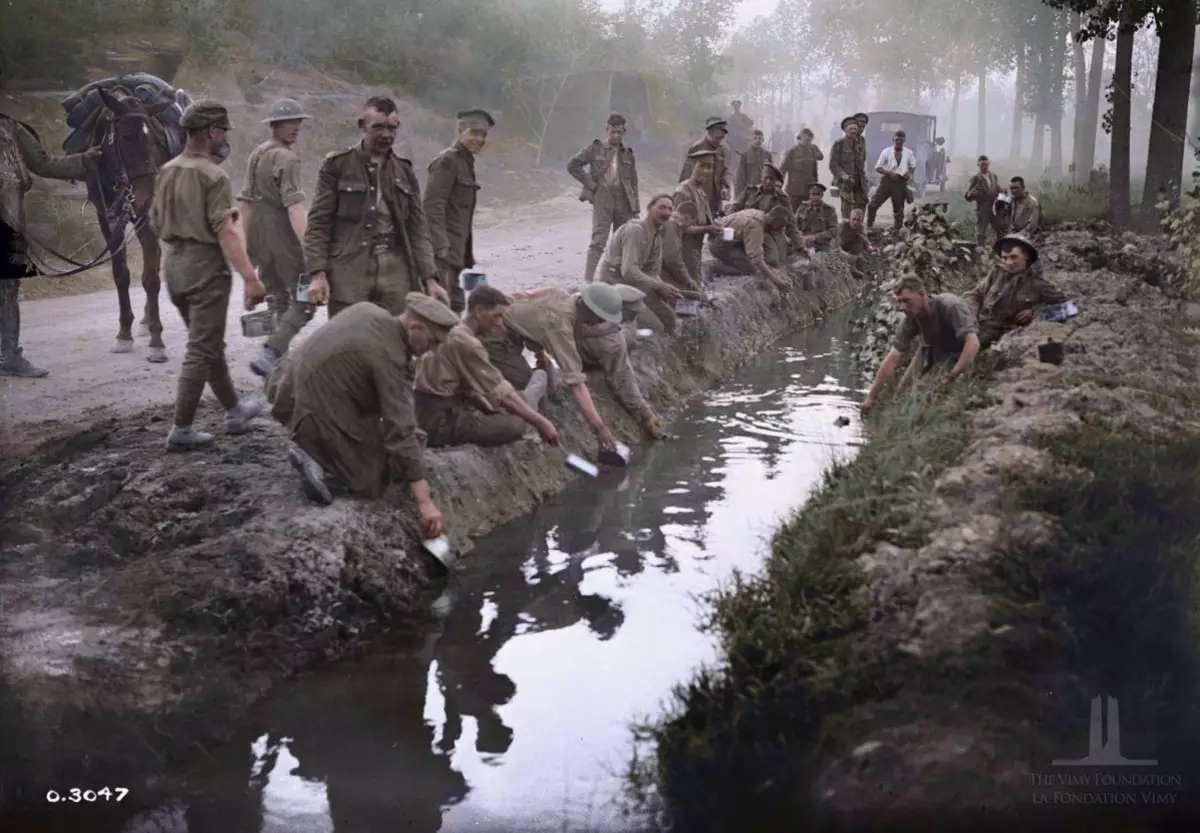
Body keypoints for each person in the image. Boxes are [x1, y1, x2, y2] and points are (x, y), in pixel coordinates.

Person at [264, 294, 446, 538]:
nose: (431, 350)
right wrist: (424, 503)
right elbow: (400, 433)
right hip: (312, 410)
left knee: (402, 440)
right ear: (414, 327)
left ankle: (319, 448)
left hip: (284, 388)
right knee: (376, 478)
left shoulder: (370, 310)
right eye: (432, 342)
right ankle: (317, 456)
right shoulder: (390, 357)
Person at [149, 100, 268, 451]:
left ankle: (234, 411)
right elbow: (226, 233)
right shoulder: (214, 175)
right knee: (201, 349)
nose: (224, 137)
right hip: (205, 270)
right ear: (212, 131)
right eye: (223, 131)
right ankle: (181, 429)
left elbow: (155, 221)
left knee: (209, 343)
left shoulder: (167, 170)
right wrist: (250, 277)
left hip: (174, 267)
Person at [302, 96, 448, 318]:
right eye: (378, 127)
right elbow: (319, 223)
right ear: (362, 126)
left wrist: (430, 279)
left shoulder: (404, 170)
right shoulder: (337, 166)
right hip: (350, 268)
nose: (386, 135)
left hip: (395, 269)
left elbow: (418, 229)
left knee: (399, 337)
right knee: (349, 338)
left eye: (392, 128)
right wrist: (317, 273)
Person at [0, 93, 101, 377]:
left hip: (8, 224)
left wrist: (84, 160)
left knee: (8, 289)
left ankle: (9, 357)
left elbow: (44, 163)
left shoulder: (10, 128)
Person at [482, 283, 628, 452]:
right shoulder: (561, 326)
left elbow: (529, 303)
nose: (601, 324)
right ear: (593, 316)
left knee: (549, 385)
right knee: (529, 394)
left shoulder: (562, 296)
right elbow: (577, 384)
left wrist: (540, 355)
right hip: (494, 338)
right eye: (602, 319)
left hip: (508, 329)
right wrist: (599, 428)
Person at [413, 286, 559, 448]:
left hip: (429, 410)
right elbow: (502, 392)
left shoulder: (456, 330)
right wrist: (541, 422)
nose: (500, 324)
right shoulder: (467, 342)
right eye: (496, 316)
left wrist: (491, 410)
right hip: (439, 420)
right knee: (516, 424)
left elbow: (473, 389)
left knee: (507, 409)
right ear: (478, 311)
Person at [239, 98, 315, 379]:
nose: (296, 127)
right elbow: (294, 207)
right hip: (282, 238)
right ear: (274, 125)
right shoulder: (287, 158)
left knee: (278, 302)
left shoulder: (257, 153)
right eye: (289, 122)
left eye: (298, 121)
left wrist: (247, 248)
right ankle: (271, 352)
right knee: (306, 301)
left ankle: (275, 371)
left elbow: (245, 204)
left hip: (260, 237)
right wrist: (310, 248)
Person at [860, 275, 980, 412]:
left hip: (959, 353)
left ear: (922, 294)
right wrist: (871, 397)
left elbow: (973, 344)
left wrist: (952, 376)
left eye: (906, 301)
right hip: (930, 350)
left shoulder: (950, 305)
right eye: (899, 302)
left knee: (935, 398)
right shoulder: (911, 318)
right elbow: (893, 356)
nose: (902, 307)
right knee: (899, 398)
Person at [425, 108, 495, 312]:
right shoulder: (447, 161)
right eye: (474, 132)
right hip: (442, 254)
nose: (479, 139)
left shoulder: (465, 163)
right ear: (460, 131)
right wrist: (440, 246)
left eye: (483, 135)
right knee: (440, 311)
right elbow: (431, 206)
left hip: (455, 253)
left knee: (455, 306)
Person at [567, 113, 640, 283]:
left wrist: (635, 208)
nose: (615, 135)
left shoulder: (628, 154)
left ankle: (614, 279)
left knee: (622, 239)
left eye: (619, 132)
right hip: (603, 195)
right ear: (606, 130)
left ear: (624, 132)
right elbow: (572, 165)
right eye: (613, 132)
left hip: (624, 199)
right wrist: (592, 185)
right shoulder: (595, 148)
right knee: (599, 239)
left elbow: (634, 183)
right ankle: (588, 281)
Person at [595, 194, 682, 335]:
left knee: (670, 318)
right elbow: (628, 271)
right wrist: (658, 286)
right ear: (649, 208)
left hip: (635, 285)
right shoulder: (635, 231)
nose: (666, 212)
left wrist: (662, 289)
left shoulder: (657, 234)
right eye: (661, 207)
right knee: (655, 327)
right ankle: (627, 338)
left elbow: (653, 271)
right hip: (615, 284)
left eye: (670, 209)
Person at [964, 233, 1065, 348]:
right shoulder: (996, 273)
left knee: (960, 348)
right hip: (976, 322)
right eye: (1005, 258)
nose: (1009, 263)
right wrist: (969, 315)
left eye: (1013, 257)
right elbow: (975, 295)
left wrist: (1035, 311)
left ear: (1026, 256)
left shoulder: (1038, 285)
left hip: (997, 332)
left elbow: (1067, 307)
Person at [703, 206, 793, 292]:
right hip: (720, 246)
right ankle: (715, 266)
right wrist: (777, 282)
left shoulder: (757, 213)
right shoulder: (756, 227)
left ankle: (724, 261)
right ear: (775, 221)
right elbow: (757, 260)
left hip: (720, 239)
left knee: (748, 259)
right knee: (750, 269)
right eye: (780, 226)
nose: (778, 229)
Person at [731, 162, 802, 266]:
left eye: (771, 179)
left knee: (774, 261)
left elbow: (792, 223)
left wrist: (800, 245)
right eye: (766, 178)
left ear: (775, 181)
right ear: (761, 178)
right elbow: (735, 208)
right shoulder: (749, 191)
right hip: (749, 229)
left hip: (772, 233)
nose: (768, 182)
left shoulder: (782, 198)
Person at [673, 149, 721, 285]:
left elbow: (704, 220)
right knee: (688, 287)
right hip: (683, 249)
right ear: (692, 167)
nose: (706, 171)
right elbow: (681, 228)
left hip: (695, 248)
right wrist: (708, 228)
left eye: (709, 167)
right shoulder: (684, 192)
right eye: (702, 166)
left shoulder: (700, 191)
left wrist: (715, 228)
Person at [680, 117, 733, 216]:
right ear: (709, 133)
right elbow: (686, 173)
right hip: (699, 194)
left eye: (722, 138)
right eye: (717, 138)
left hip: (716, 196)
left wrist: (725, 187)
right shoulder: (697, 148)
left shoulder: (724, 149)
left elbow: (727, 171)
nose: (719, 141)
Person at [867, 130, 916, 232]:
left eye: (901, 140)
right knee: (873, 204)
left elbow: (913, 166)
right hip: (887, 181)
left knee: (899, 209)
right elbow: (878, 167)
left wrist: (909, 173)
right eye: (897, 139)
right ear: (893, 139)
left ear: (904, 140)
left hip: (900, 182)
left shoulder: (909, 153)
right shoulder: (886, 151)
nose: (898, 142)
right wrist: (889, 173)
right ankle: (869, 227)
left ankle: (896, 230)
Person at [829, 116, 867, 220]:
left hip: (859, 180)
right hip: (845, 181)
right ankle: (846, 227)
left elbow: (863, 159)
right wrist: (843, 175)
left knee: (862, 202)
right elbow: (833, 164)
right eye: (851, 129)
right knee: (848, 204)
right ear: (845, 131)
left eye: (855, 129)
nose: (854, 131)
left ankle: (858, 226)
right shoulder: (839, 144)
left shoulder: (862, 141)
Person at [780, 127, 823, 212]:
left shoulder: (813, 150)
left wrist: (814, 149)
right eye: (805, 138)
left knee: (808, 214)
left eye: (809, 139)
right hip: (794, 191)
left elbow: (820, 157)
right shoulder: (792, 151)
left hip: (809, 190)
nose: (807, 140)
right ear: (800, 138)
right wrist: (779, 185)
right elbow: (783, 168)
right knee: (792, 214)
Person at [965, 155, 1000, 246]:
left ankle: (999, 249)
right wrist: (973, 194)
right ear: (978, 165)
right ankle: (980, 251)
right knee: (981, 232)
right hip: (982, 208)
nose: (984, 166)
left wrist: (1003, 192)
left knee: (999, 228)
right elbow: (967, 195)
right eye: (982, 164)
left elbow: (997, 188)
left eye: (986, 164)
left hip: (995, 207)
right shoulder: (976, 178)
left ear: (989, 164)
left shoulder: (993, 176)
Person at [796, 183, 840, 251]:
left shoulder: (829, 210)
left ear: (822, 195)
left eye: (818, 194)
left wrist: (815, 237)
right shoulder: (803, 207)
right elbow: (793, 224)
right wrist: (800, 235)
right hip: (803, 243)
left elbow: (834, 230)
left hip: (821, 245)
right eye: (813, 194)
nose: (815, 197)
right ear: (810, 195)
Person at [838, 208, 875, 279]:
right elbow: (833, 244)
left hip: (849, 250)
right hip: (837, 249)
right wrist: (846, 256)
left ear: (861, 221)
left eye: (858, 220)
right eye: (853, 219)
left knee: (860, 239)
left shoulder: (862, 228)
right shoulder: (841, 225)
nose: (855, 222)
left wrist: (870, 248)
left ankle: (853, 267)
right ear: (850, 218)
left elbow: (866, 242)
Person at [734, 129, 772, 196]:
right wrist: (738, 196)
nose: (757, 140)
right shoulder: (745, 155)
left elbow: (771, 174)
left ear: (763, 140)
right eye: (755, 138)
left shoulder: (767, 155)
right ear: (751, 140)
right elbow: (740, 177)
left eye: (760, 138)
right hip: (750, 191)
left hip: (764, 191)